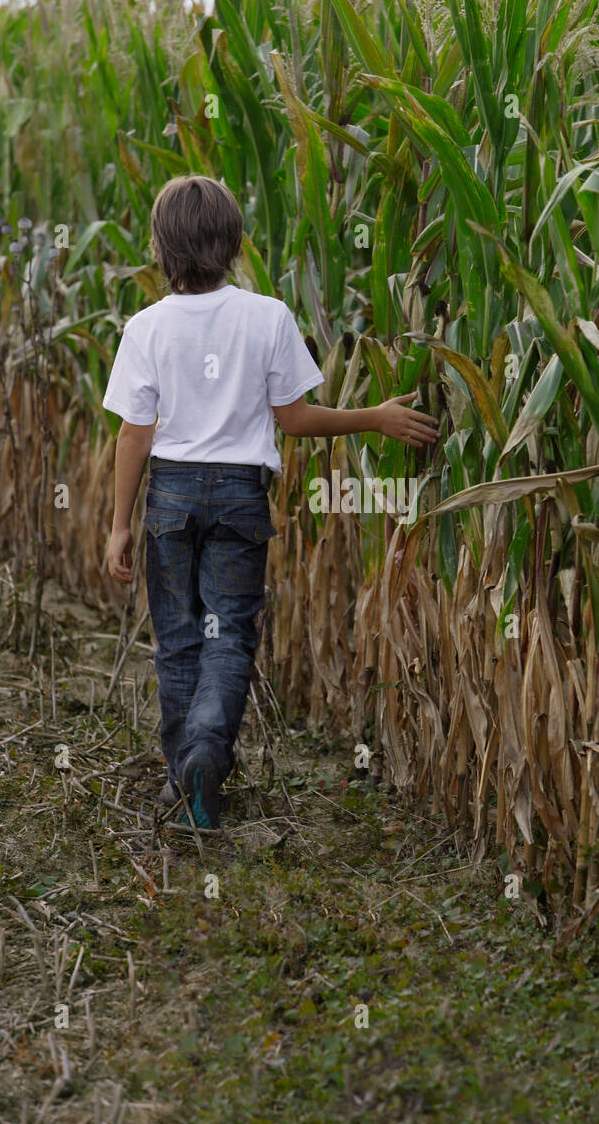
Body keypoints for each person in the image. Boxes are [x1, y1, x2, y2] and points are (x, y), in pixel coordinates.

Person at [103, 174, 439, 828]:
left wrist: (119, 524)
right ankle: (204, 757)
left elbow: (132, 435)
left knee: (177, 642)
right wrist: (372, 415)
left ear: (162, 245)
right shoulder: (267, 316)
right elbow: (295, 419)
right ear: (232, 242)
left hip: (169, 493)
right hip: (238, 494)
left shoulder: (145, 327)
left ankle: (185, 778)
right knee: (227, 634)